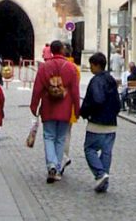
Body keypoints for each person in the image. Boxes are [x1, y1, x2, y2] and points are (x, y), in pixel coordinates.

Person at [30, 39, 80, 183]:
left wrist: (34, 105)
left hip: (48, 106)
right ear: (62, 50)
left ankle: (51, 164)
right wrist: (77, 109)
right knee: (60, 138)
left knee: (48, 136)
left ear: (51, 51)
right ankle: (57, 167)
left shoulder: (44, 67)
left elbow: (37, 89)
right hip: (65, 108)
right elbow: (75, 91)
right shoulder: (70, 67)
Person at [80, 52, 120, 193]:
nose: (90, 68)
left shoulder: (96, 80)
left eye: (91, 65)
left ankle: (100, 174)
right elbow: (118, 103)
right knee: (106, 152)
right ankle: (103, 181)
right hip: (111, 123)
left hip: (97, 122)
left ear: (97, 65)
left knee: (89, 149)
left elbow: (96, 99)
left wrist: (85, 112)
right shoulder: (111, 80)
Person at [61, 42, 81, 174]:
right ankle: (64, 155)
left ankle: (61, 158)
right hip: (71, 106)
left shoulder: (58, 66)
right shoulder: (76, 68)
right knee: (67, 133)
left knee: (55, 135)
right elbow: (76, 90)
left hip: (58, 105)